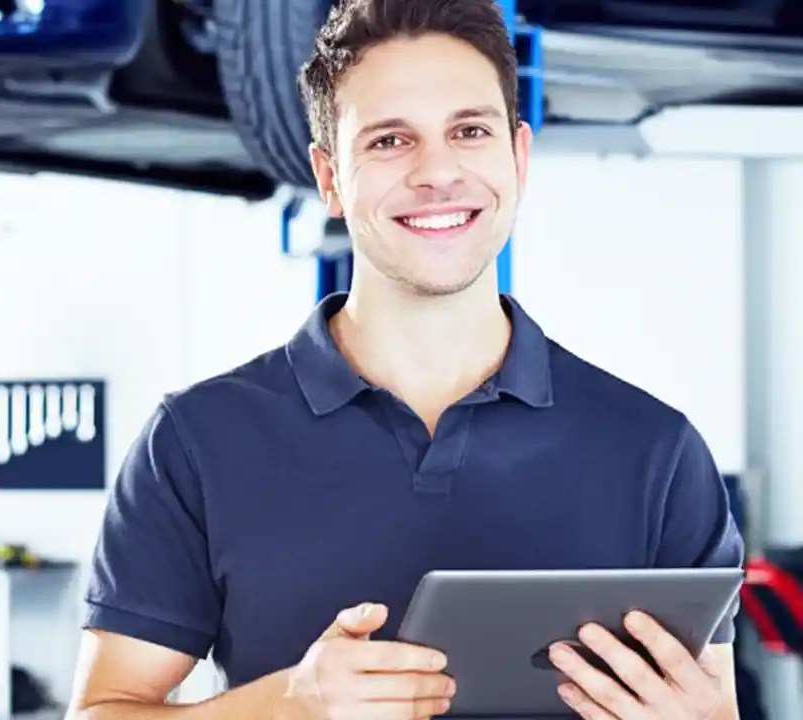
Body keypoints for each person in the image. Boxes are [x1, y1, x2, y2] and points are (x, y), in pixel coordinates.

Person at [66, 0, 745, 718]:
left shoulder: (654, 449)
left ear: (518, 156)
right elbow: (102, 710)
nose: (438, 173)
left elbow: (717, 706)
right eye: (391, 141)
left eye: (470, 131)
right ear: (329, 177)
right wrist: (292, 704)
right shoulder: (196, 440)